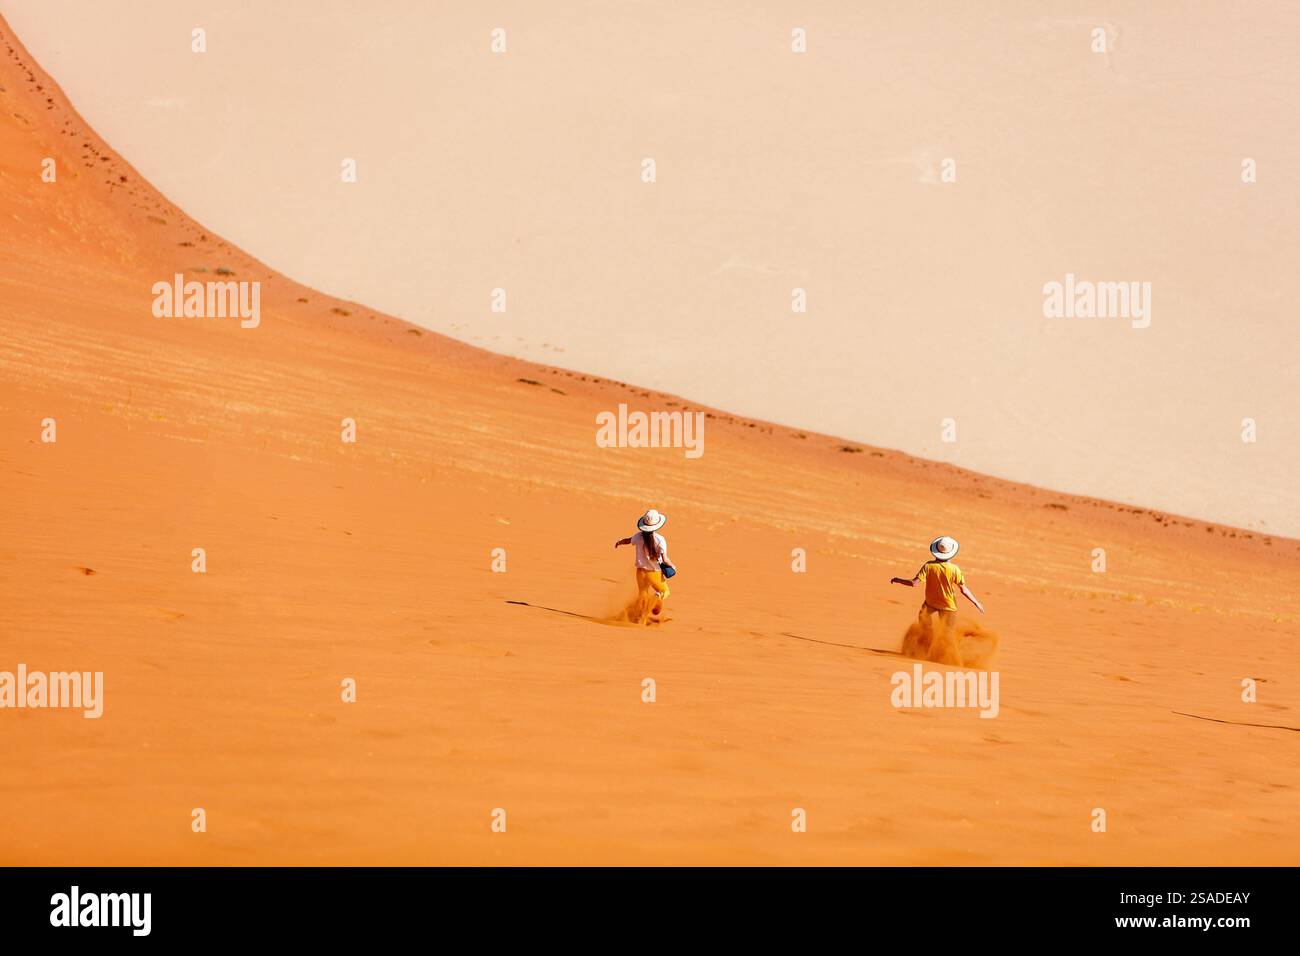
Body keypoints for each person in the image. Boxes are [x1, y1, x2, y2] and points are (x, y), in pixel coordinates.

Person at [890, 536, 983, 662]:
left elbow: (914, 583)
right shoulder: (954, 569)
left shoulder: (929, 566)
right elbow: (964, 590)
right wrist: (976, 603)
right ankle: (948, 658)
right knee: (947, 634)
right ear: (951, 554)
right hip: (948, 607)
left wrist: (898, 580)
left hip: (930, 604)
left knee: (924, 627)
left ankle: (924, 651)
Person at [614, 509, 677, 623]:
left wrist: (620, 541)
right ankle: (655, 599)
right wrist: (673, 566)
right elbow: (665, 559)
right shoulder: (660, 540)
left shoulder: (638, 536)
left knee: (643, 595)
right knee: (664, 592)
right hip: (654, 573)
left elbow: (628, 540)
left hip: (640, 573)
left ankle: (639, 617)